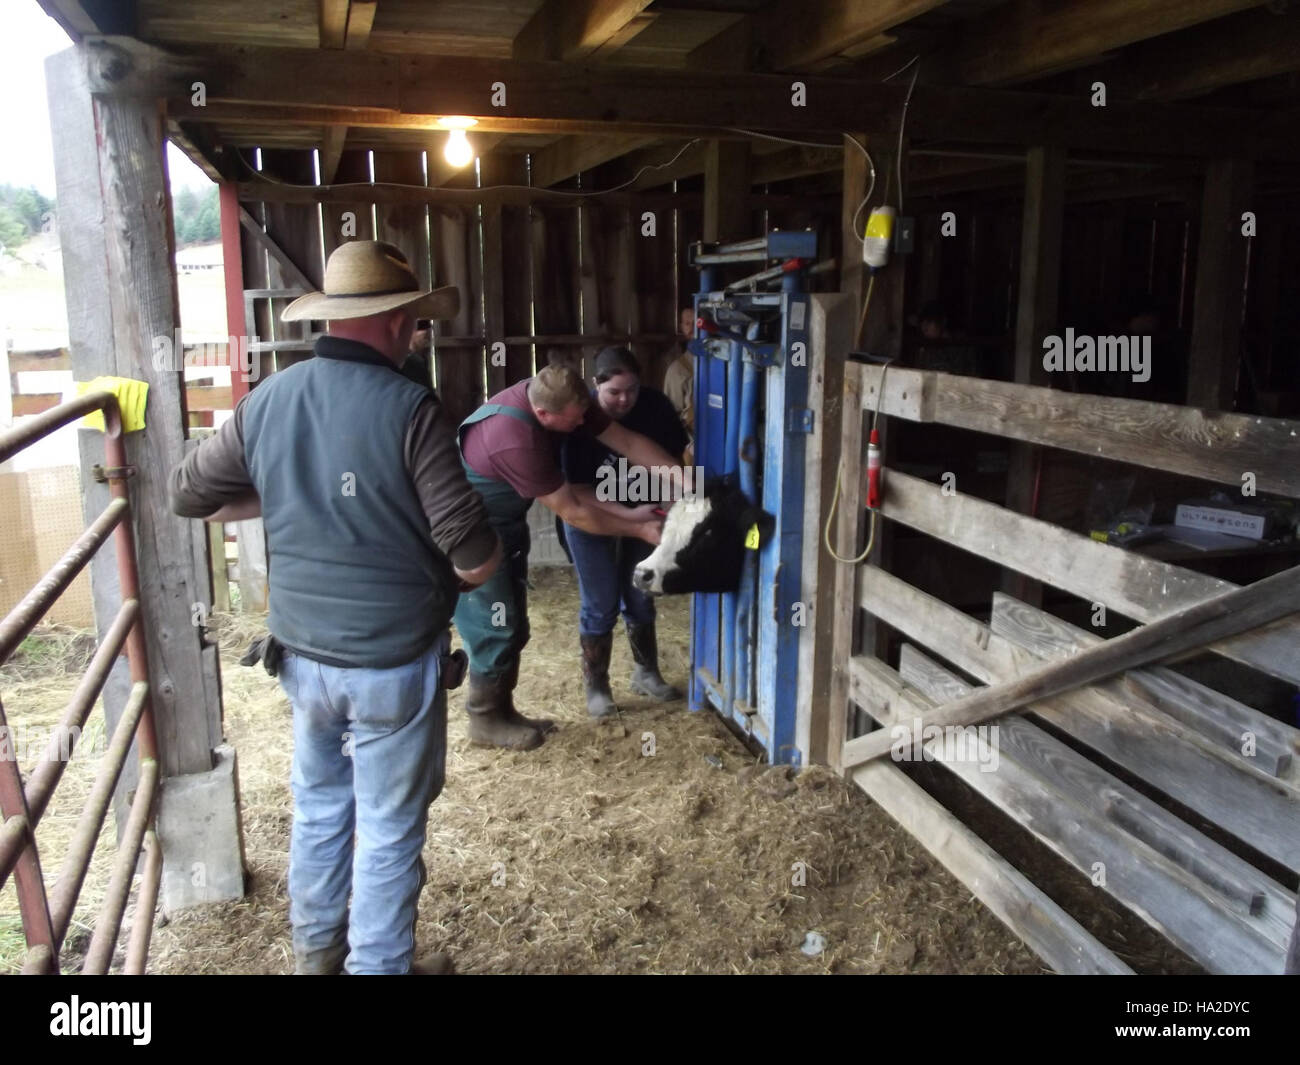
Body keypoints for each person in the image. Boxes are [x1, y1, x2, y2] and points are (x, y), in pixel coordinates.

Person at [170, 240, 501, 976]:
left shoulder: (268, 401)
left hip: (301, 658)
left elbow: (187, 492)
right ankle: (378, 967)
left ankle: (316, 956)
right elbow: (472, 552)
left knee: (320, 809)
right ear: (392, 321)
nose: (417, 333)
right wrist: (476, 572)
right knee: (386, 827)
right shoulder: (410, 408)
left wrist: (289, 489)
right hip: (389, 662)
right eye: (414, 321)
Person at [454, 364, 684, 751]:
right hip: (472, 530)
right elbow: (573, 509)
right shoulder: (515, 439)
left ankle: (503, 712)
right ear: (544, 416)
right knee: (495, 625)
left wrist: (684, 479)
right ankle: (484, 720)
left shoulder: (563, 397)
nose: (583, 426)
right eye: (575, 421)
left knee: (514, 625)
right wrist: (639, 528)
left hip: (506, 524)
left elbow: (626, 442)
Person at [560, 347, 688, 717]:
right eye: (614, 391)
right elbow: (576, 491)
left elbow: (673, 460)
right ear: (596, 384)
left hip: (647, 509)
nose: (624, 399)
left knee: (641, 589)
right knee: (599, 602)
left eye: (631, 390)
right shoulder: (578, 414)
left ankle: (646, 672)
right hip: (591, 512)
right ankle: (597, 687)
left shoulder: (656, 407)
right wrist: (629, 516)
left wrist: (673, 507)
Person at [661, 306, 696, 445]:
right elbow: (671, 414)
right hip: (692, 443)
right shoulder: (677, 370)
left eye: (696, 322)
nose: (692, 328)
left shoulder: (728, 363)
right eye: (688, 324)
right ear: (682, 327)